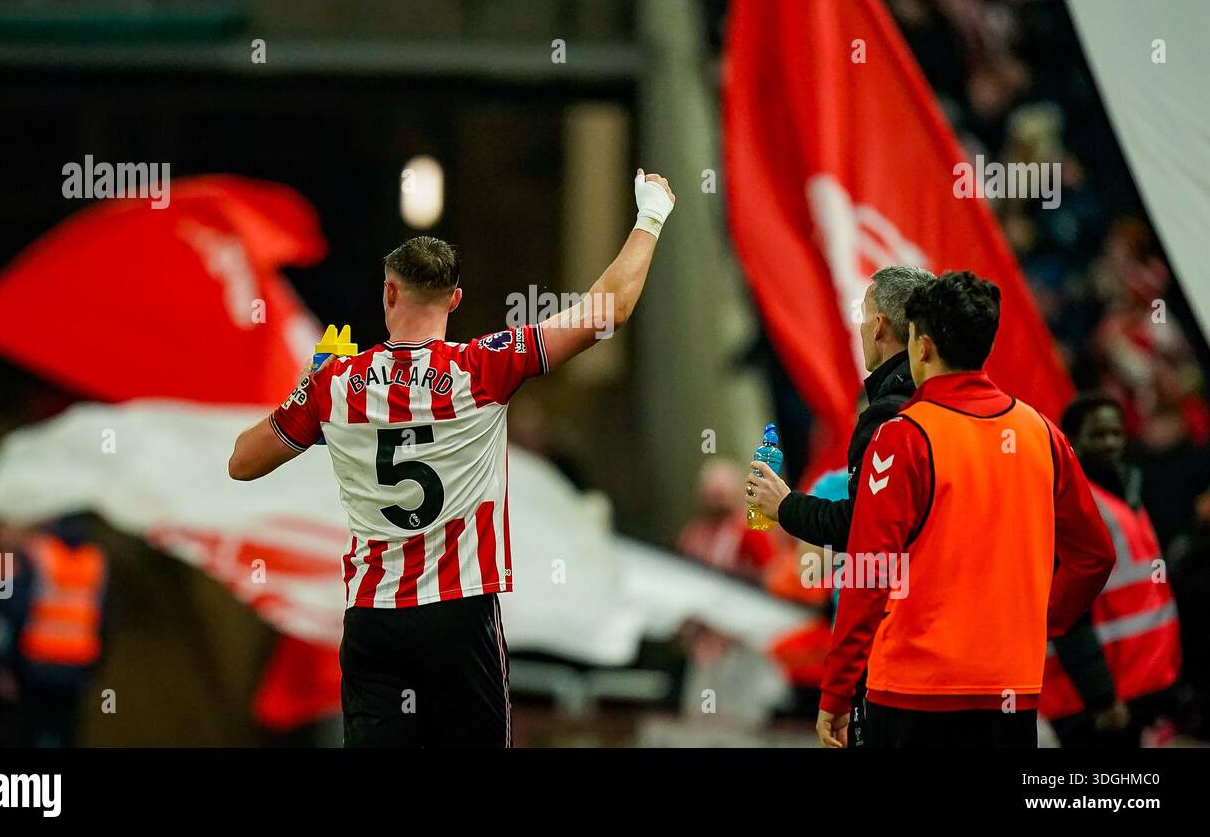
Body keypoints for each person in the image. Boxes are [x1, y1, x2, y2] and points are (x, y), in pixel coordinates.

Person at [229, 170, 677, 747]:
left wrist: (307, 386)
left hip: (375, 614)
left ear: (388, 292)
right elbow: (606, 311)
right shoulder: (482, 367)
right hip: (458, 614)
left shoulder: (337, 385)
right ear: (456, 300)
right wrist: (650, 217)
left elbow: (242, 461)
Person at [769, 270, 1114, 748]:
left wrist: (836, 691)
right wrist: (1041, 624)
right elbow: (1095, 556)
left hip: (913, 692)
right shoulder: (1041, 433)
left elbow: (869, 571)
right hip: (1009, 689)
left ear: (923, 346)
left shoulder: (903, 436)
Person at [745, 264, 932, 745]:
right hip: (982, 669)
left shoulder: (890, 426)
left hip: (890, 661)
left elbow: (857, 554)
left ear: (882, 326)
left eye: (863, 313)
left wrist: (783, 507)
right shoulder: (1004, 433)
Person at [1040, 393, 1181, 747]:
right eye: (1098, 434)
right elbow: (1068, 613)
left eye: (1116, 433)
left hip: (1138, 686)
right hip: (1092, 702)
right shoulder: (1068, 504)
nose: (1111, 443)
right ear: (1072, 440)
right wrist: (1100, 697)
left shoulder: (1125, 489)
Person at [0, 512, 108, 747]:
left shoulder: (37, 552)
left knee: (25, 732)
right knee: (62, 731)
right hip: (76, 665)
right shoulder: (96, 559)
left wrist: (4, 663)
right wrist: (95, 668)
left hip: (34, 662)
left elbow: (15, 610)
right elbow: (104, 620)